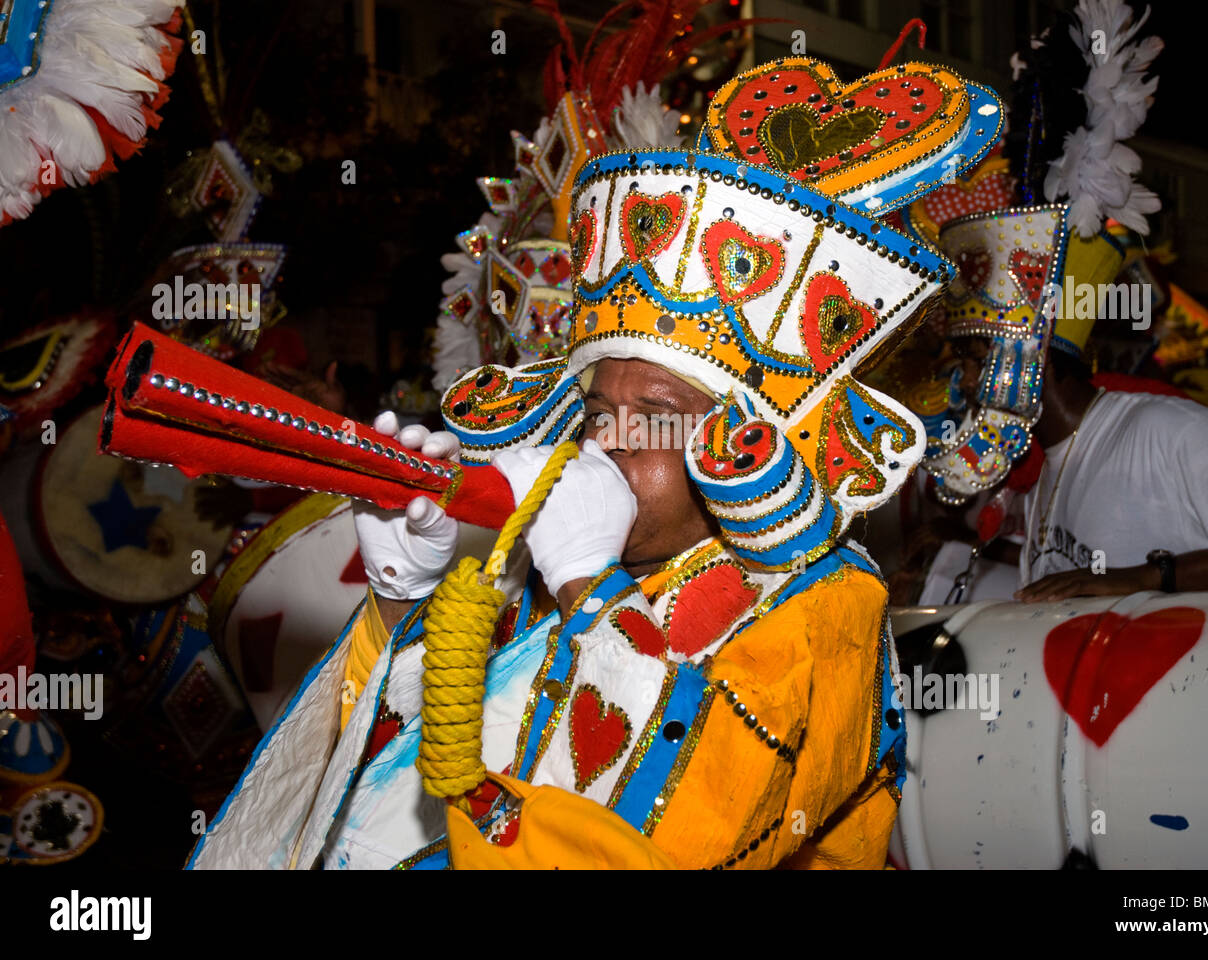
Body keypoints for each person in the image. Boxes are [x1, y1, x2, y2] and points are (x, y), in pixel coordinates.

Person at [185, 51, 1004, 869]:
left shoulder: (824, 601)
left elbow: (678, 841)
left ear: (754, 444)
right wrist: (406, 608)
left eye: (657, 416)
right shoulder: (554, 569)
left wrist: (589, 588)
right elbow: (391, 790)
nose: (611, 442)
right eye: (598, 411)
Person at [1013, 346, 1208, 601]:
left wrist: (1152, 577)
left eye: (978, 359)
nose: (969, 380)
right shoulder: (1046, 468)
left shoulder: (1170, 428)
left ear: (1037, 358)